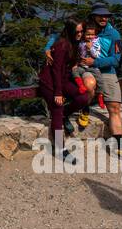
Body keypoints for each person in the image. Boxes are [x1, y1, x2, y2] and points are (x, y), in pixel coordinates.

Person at [46, 5, 122, 160]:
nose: (104, 19)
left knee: (115, 108)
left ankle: (119, 146)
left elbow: (116, 59)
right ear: (93, 17)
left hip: (106, 71)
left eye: (107, 16)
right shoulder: (85, 28)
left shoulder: (113, 34)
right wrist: (47, 47)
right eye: (100, 16)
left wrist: (95, 61)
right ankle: (85, 108)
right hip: (85, 70)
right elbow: (61, 35)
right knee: (89, 85)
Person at [39, 17, 92, 165]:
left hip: (63, 79)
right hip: (50, 82)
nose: (80, 34)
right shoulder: (62, 45)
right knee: (57, 108)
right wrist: (58, 92)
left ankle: (63, 115)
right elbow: (55, 70)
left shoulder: (75, 44)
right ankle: (60, 150)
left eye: (82, 31)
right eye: (77, 31)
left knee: (82, 97)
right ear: (70, 30)